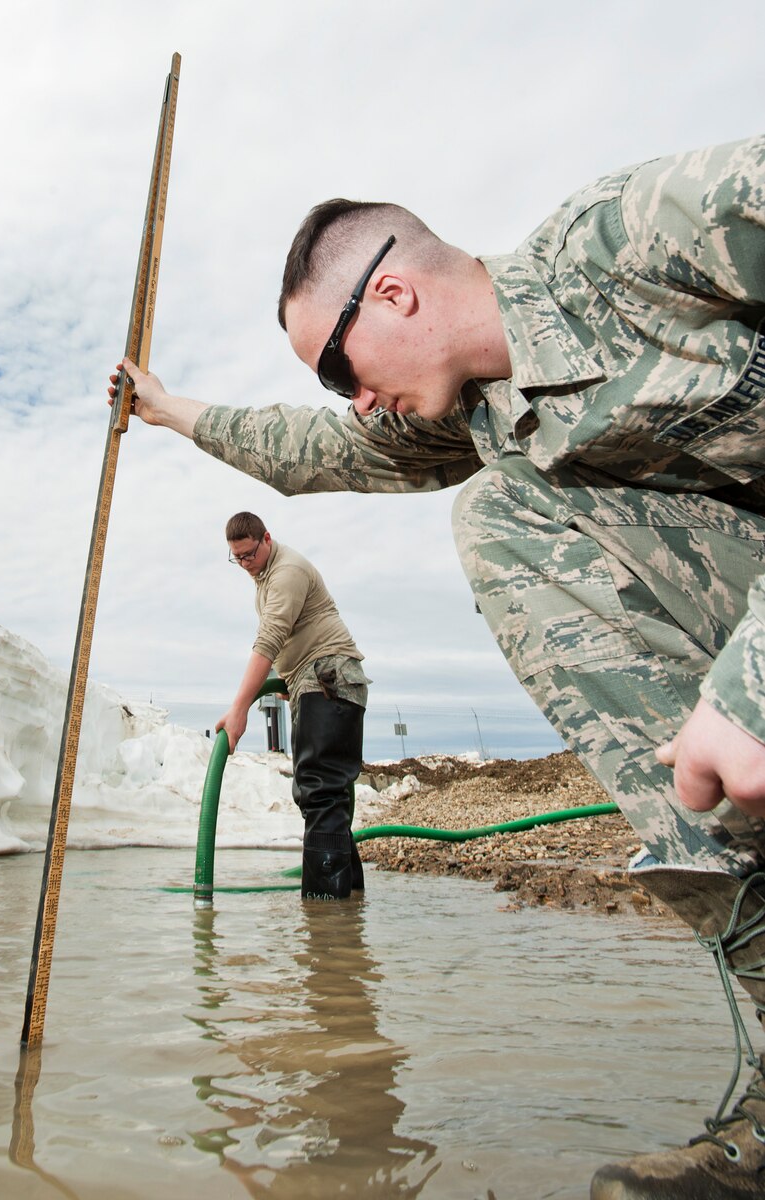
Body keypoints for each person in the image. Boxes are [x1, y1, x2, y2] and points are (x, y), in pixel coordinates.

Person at [109, 135, 765, 1197]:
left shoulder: (641, 234)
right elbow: (306, 452)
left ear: (397, 296)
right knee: (501, 516)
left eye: (339, 368)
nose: (350, 401)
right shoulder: (487, 418)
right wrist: (164, 407)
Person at [218, 511, 370, 901]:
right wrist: (289, 678)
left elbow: (269, 639)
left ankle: (326, 921)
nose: (245, 565)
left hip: (329, 677)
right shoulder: (264, 577)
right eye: (237, 558)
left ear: (266, 539)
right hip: (315, 680)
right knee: (323, 795)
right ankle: (348, 909)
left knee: (320, 793)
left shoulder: (287, 572)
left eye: (249, 555)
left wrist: (239, 709)